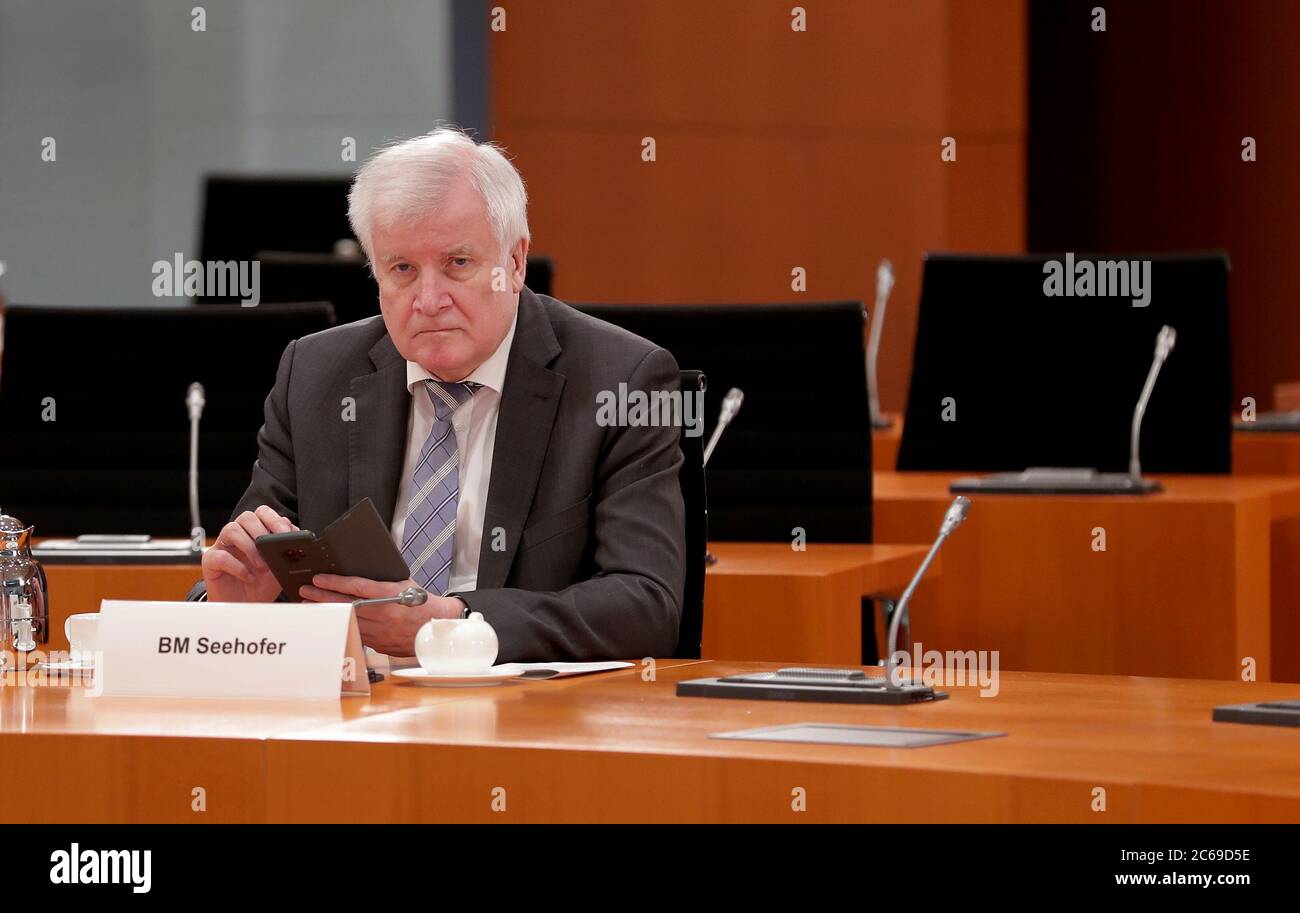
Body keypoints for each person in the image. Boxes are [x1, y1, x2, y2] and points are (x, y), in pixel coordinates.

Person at [191, 128, 686, 662]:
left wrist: (455, 622)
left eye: (457, 264)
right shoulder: (315, 375)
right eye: (402, 269)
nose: (429, 300)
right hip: (355, 712)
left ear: (514, 263)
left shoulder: (620, 379)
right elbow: (246, 571)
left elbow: (646, 605)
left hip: (526, 714)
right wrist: (234, 611)